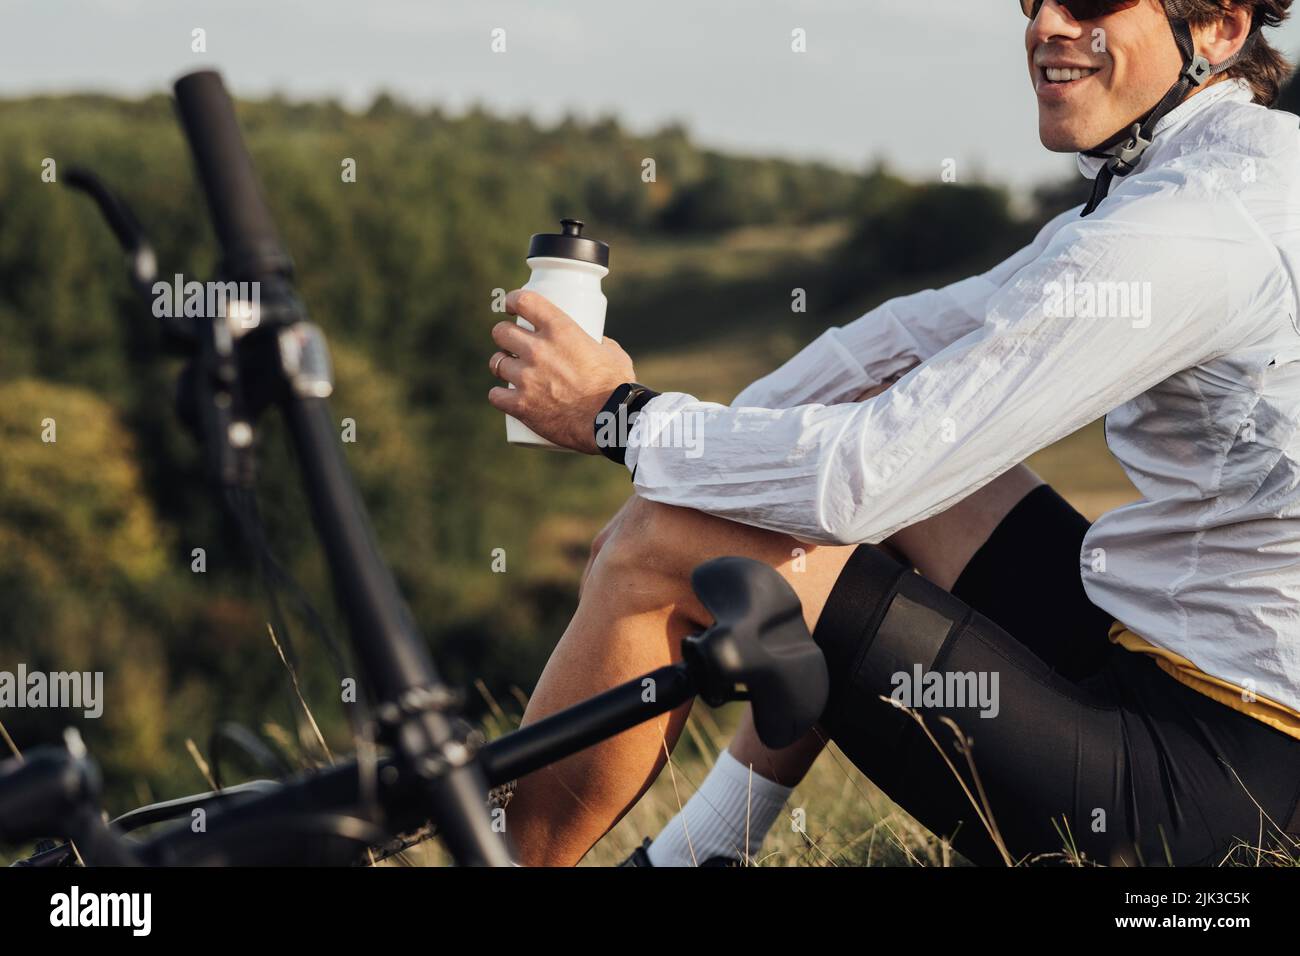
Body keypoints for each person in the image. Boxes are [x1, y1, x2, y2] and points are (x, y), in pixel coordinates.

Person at [485, 0, 1300, 867]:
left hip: (1213, 798)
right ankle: (693, 859)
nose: (1049, 25)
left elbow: (862, 479)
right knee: (775, 475)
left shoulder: (1194, 226)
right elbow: (911, 339)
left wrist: (624, 420)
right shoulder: (1223, 171)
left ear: (1217, 29)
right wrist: (683, 465)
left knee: (669, 543)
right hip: (1181, 675)